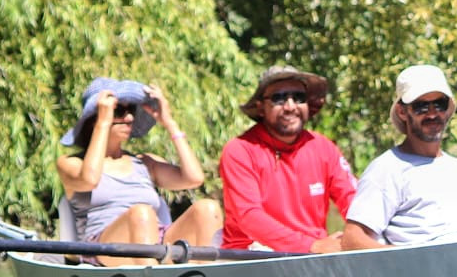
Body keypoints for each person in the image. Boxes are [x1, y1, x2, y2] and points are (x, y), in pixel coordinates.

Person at [56, 77, 223, 265]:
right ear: (95, 118)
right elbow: (90, 179)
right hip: (103, 247)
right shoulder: (71, 163)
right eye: (119, 111)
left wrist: (169, 123)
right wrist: (103, 122)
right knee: (141, 214)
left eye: (131, 110)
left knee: (208, 209)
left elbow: (194, 178)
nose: (129, 118)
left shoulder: (145, 163)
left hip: (156, 241)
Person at [342, 64, 457, 249]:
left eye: (439, 104)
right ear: (403, 112)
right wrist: (407, 260)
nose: (433, 114)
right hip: (420, 271)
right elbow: (352, 239)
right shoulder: (386, 169)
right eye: (421, 107)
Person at [219, 65, 357, 253]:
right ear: (261, 107)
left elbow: (352, 200)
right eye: (279, 98)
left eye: (298, 97)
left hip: (312, 257)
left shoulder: (323, 147)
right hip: (252, 256)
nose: (290, 106)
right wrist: (311, 246)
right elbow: (249, 217)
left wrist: (362, 236)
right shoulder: (240, 150)